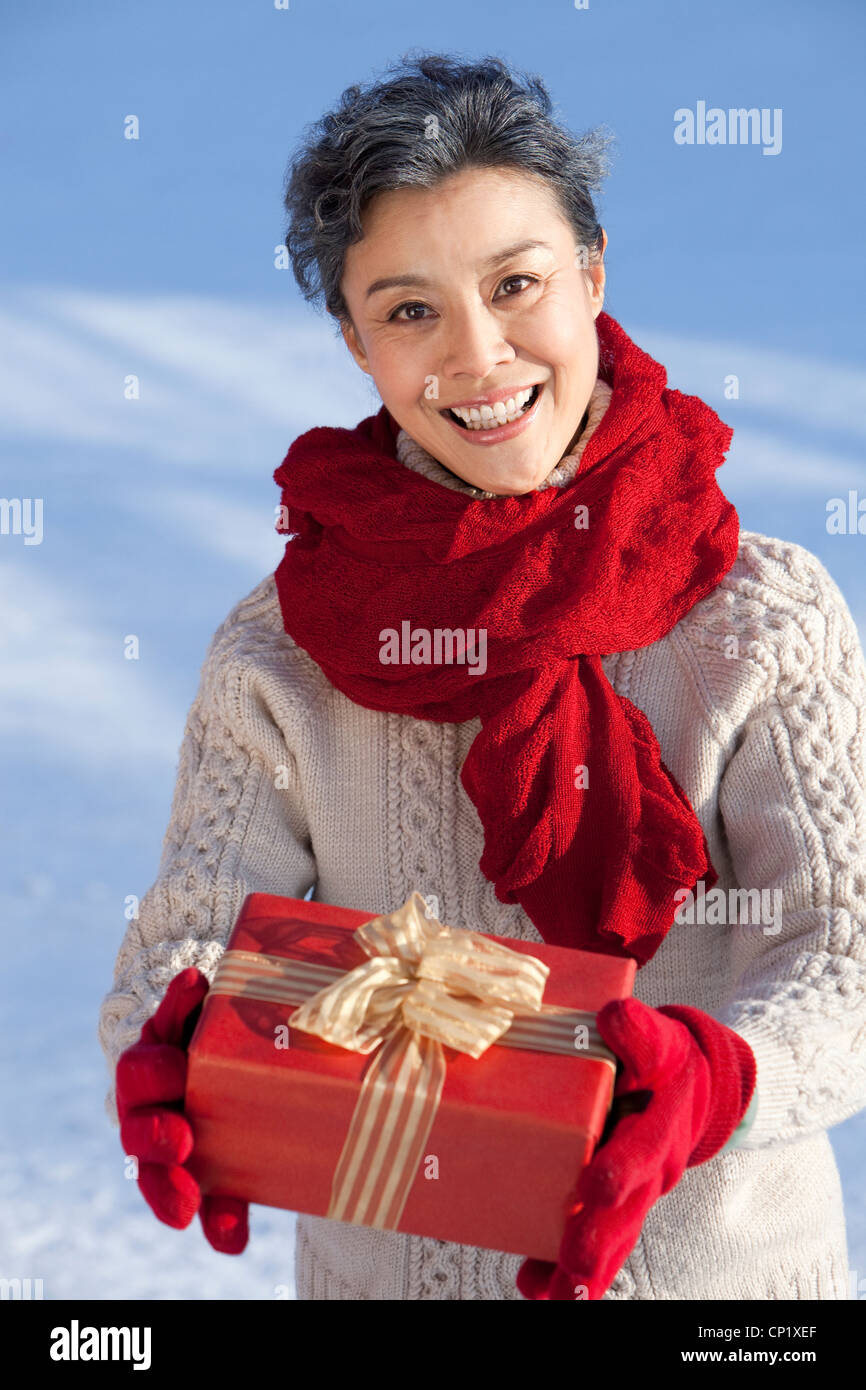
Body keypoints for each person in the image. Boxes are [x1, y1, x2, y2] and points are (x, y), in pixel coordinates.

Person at [98, 52, 866, 1301]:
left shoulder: (758, 616)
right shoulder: (286, 645)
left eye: (516, 284)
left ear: (592, 274)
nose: (476, 354)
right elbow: (199, 920)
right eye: (408, 311)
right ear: (352, 340)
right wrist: (175, 1030)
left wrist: (715, 1073)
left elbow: (845, 947)